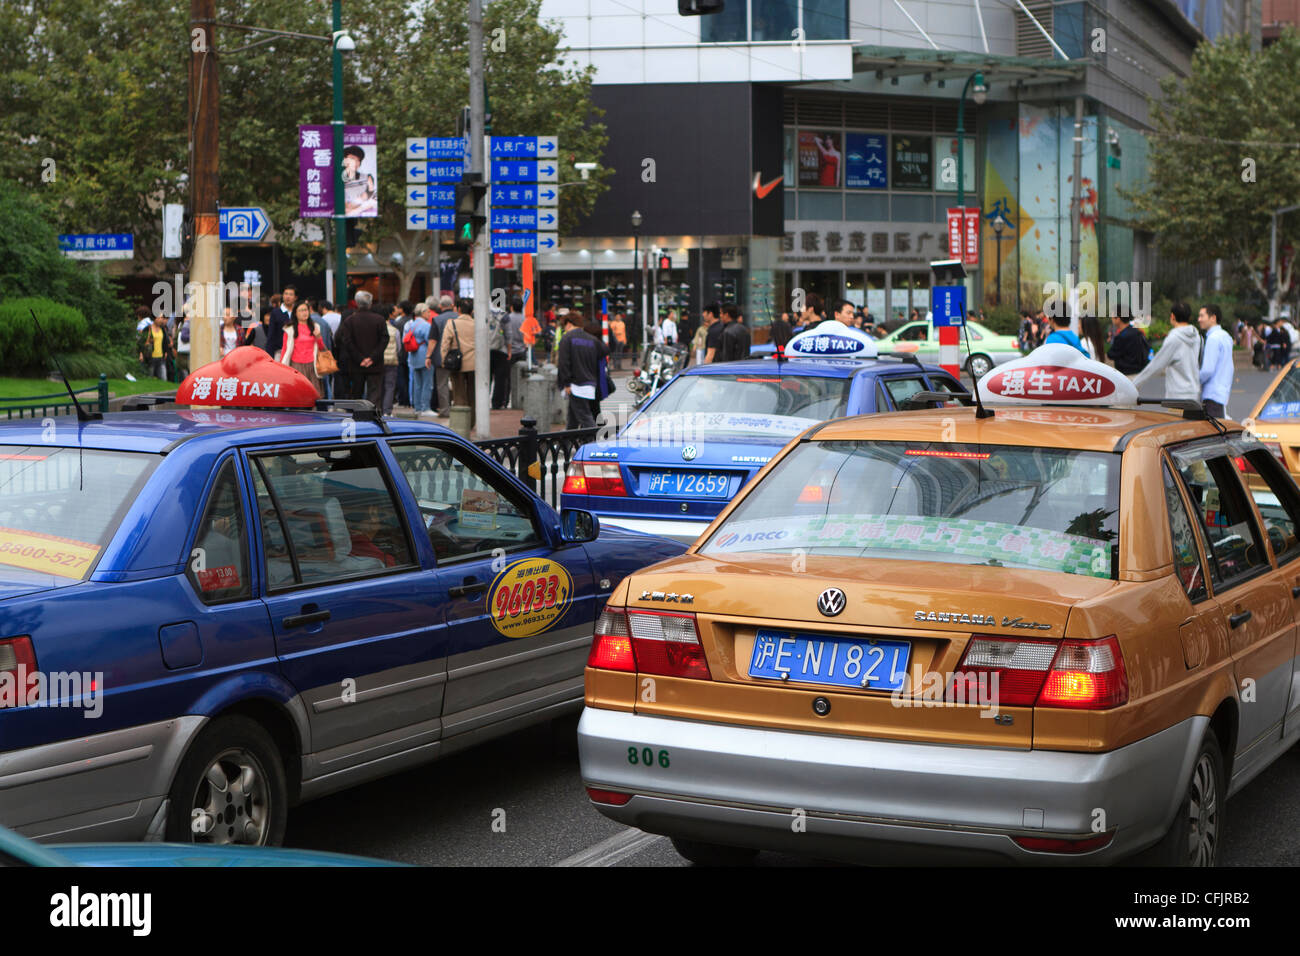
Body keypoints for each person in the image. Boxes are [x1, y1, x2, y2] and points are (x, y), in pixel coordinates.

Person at [1133, 303, 1201, 400]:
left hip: (1178, 395)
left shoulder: (1174, 338)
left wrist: (1134, 383)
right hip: (1194, 393)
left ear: (1172, 316)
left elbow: (1156, 365)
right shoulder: (1196, 336)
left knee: (1174, 416)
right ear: (1189, 317)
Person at [335, 290, 389, 408]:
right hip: (375, 364)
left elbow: (347, 342)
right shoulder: (379, 320)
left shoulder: (350, 321)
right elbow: (384, 340)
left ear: (356, 303)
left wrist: (360, 358)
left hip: (356, 364)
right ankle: (374, 417)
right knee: (375, 394)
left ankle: (358, 418)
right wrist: (372, 357)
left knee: (357, 394)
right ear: (370, 304)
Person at [557, 311, 607, 429]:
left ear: (569, 324)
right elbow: (605, 351)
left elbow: (564, 362)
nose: (565, 329)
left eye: (564, 326)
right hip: (590, 382)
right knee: (573, 418)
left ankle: (594, 443)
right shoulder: (591, 339)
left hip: (575, 384)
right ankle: (567, 444)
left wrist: (566, 383)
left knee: (585, 417)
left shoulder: (567, 338)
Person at [441, 299, 478, 429]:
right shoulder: (476, 324)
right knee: (473, 394)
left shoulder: (452, 324)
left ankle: (462, 423)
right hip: (475, 364)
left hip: (458, 364)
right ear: (472, 311)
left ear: (458, 309)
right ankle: (472, 422)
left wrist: (444, 359)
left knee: (459, 394)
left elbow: (445, 344)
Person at [280, 301, 325, 397]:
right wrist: (281, 366)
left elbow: (321, 347)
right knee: (298, 394)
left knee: (314, 395)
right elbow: (285, 349)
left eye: (305, 310)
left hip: (312, 365)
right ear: (295, 314)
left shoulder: (315, 327)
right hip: (296, 366)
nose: (304, 313)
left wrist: (318, 337)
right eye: (301, 310)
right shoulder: (290, 329)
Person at [1198, 303, 1233, 418]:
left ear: (1213, 318)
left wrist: (1195, 381)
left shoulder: (1213, 338)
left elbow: (1207, 370)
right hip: (1222, 392)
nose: (1199, 319)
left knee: (1213, 431)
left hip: (1211, 394)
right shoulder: (1226, 336)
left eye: (1202, 316)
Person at [426, 294, 456, 415]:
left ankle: (445, 409)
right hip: (457, 356)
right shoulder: (458, 317)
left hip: (441, 357)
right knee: (457, 383)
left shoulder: (437, 320)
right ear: (452, 305)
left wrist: (428, 356)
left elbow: (433, 340)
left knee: (442, 384)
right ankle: (459, 407)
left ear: (440, 306)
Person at [405, 306, 434, 419]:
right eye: (427, 311)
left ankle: (417, 407)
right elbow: (430, 340)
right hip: (424, 355)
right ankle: (425, 407)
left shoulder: (411, 324)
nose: (429, 314)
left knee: (417, 384)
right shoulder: (426, 325)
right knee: (427, 383)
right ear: (422, 312)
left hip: (413, 356)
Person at [137, 312, 174, 380]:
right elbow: (141, 342)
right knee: (150, 377)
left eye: (162, 318)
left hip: (161, 357)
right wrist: (141, 353)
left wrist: (165, 351)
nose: (161, 320)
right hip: (151, 357)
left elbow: (165, 341)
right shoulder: (148, 329)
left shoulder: (162, 329)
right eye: (159, 318)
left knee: (163, 378)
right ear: (155, 318)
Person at [489, 308, 510, 410]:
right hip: (501, 350)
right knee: (500, 379)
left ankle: (482, 401)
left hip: (485, 351)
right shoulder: (503, 315)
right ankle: (496, 403)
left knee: (485, 377)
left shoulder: (483, 312)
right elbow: (508, 335)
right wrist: (509, 350)